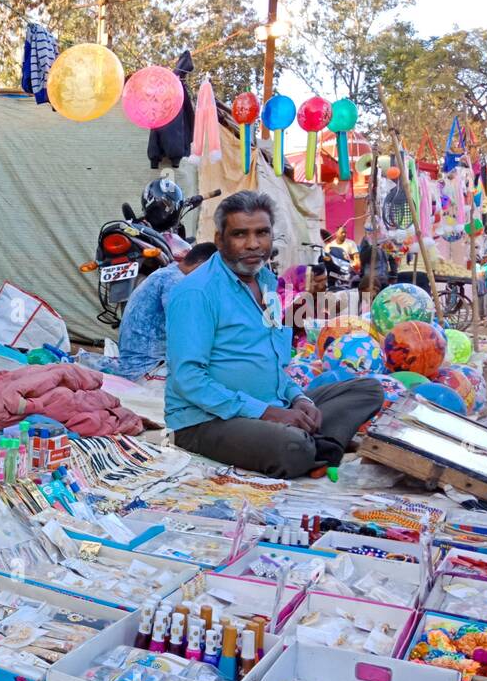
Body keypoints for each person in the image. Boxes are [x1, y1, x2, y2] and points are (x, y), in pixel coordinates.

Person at [164, 190, 384, 479]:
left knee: (367, 390)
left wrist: (300, 400)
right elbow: (188, 379)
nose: (254, 244)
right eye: (240, 234)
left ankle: (313, 441)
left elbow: (272, 363)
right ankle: (315, 444)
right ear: (220, 240)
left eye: (262, 233)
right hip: (208, 420)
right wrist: (268, 413)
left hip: (271, 405)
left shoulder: (266, 283)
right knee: (292, 449)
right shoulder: (197, 292)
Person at [79, 242, 217, 379]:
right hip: (144, 367)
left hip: (134, 361)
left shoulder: (169, 272)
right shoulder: (176, 282)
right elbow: (185, 331)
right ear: (203, 266)